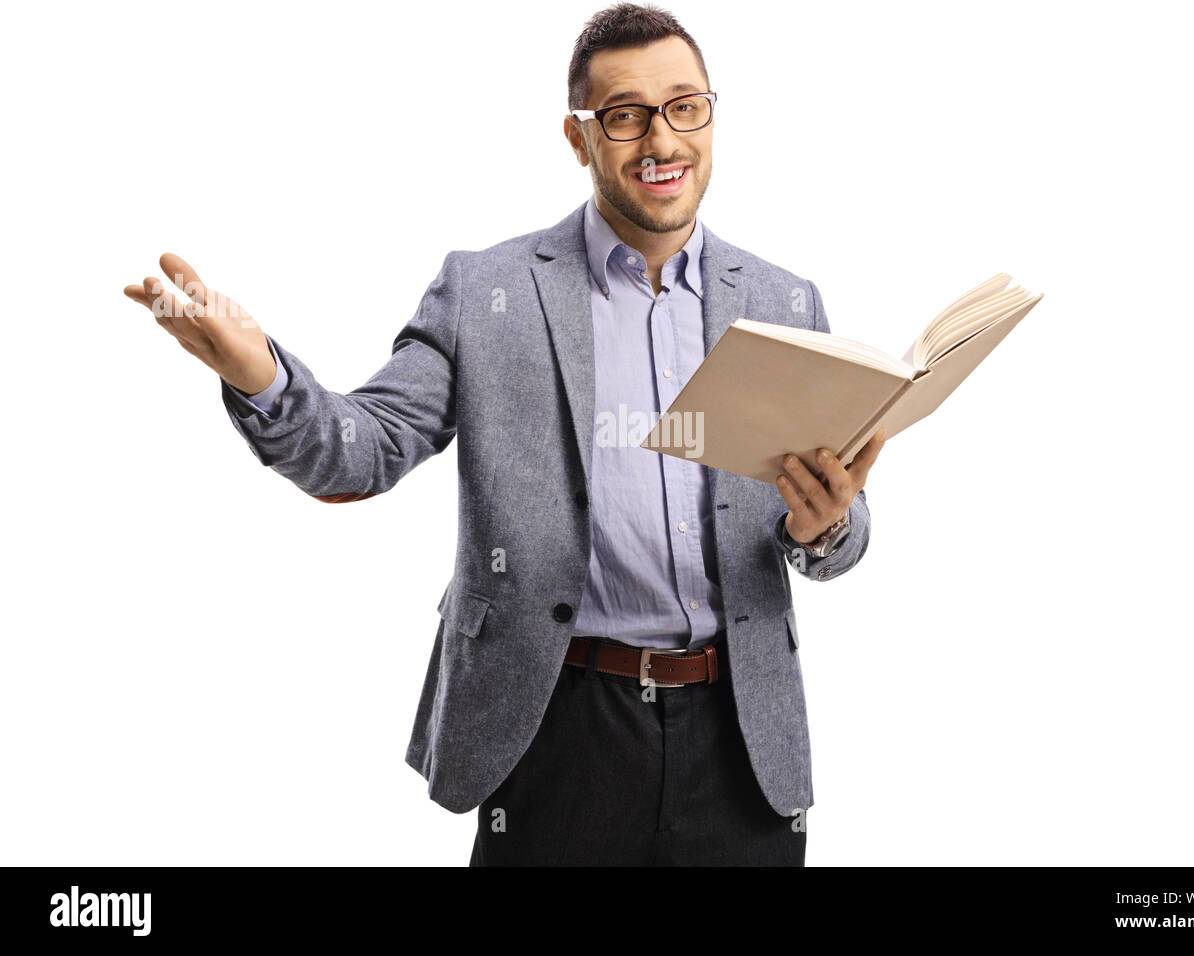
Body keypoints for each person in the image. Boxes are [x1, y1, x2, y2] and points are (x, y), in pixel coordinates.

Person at [123, 2, 886, 867]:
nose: (662, 141)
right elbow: (360, 450)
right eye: (626, 116)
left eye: (686, 106)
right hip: (555, 726)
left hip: (744, 738)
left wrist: (826, 525)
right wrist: (259, 372)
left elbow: (840, 540)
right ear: (579, 136)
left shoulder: (786, 304)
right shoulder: (487, 292)